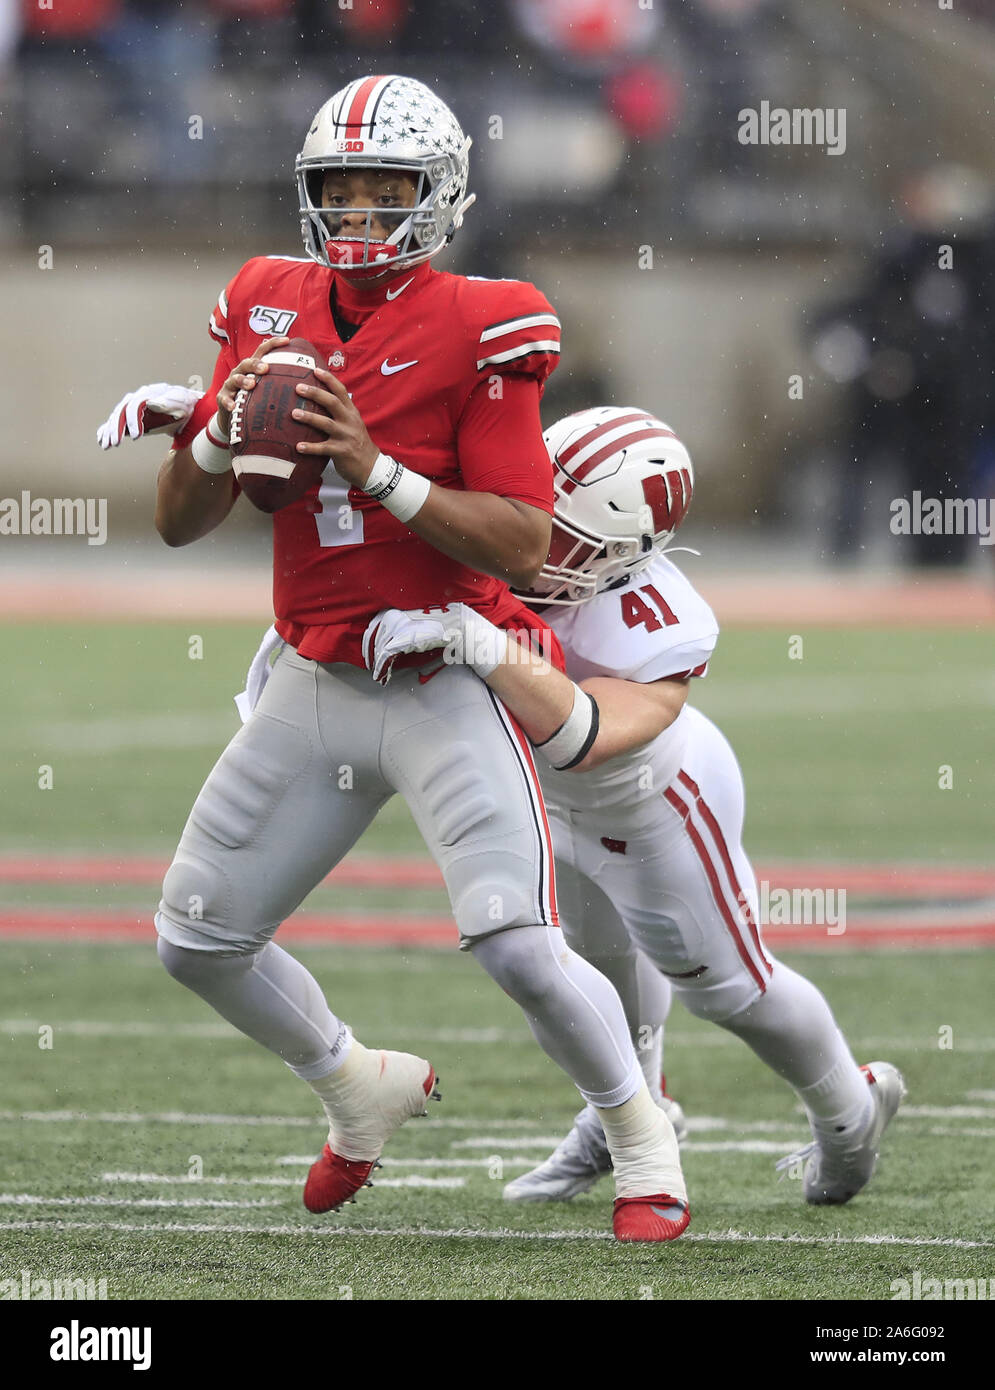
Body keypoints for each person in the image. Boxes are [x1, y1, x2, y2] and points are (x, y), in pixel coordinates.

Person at [97, 77, 688, 1242]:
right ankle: (352, 1082)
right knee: (196, 939)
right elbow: (179, 522)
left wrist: (376, 470)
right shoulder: (264, 301)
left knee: (519, 945)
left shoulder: (487, 319)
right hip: (314, 679)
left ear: (441, 195)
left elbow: (522, 535)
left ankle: (640, 1134)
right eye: (340, 189)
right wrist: (211, 436)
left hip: (436, 674)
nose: (360, 212)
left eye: (386, 189)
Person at [363, 405, 907, 1206]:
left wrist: (480, 642)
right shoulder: (511, 533)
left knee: (730, 990)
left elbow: (584, 737)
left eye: (562, 530)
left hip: (654, 812)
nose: (535, 540)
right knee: (580, 978)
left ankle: (848, 1111)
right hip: (549, 807)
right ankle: (633, 1118)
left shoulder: (656, 621)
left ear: (623, 549)